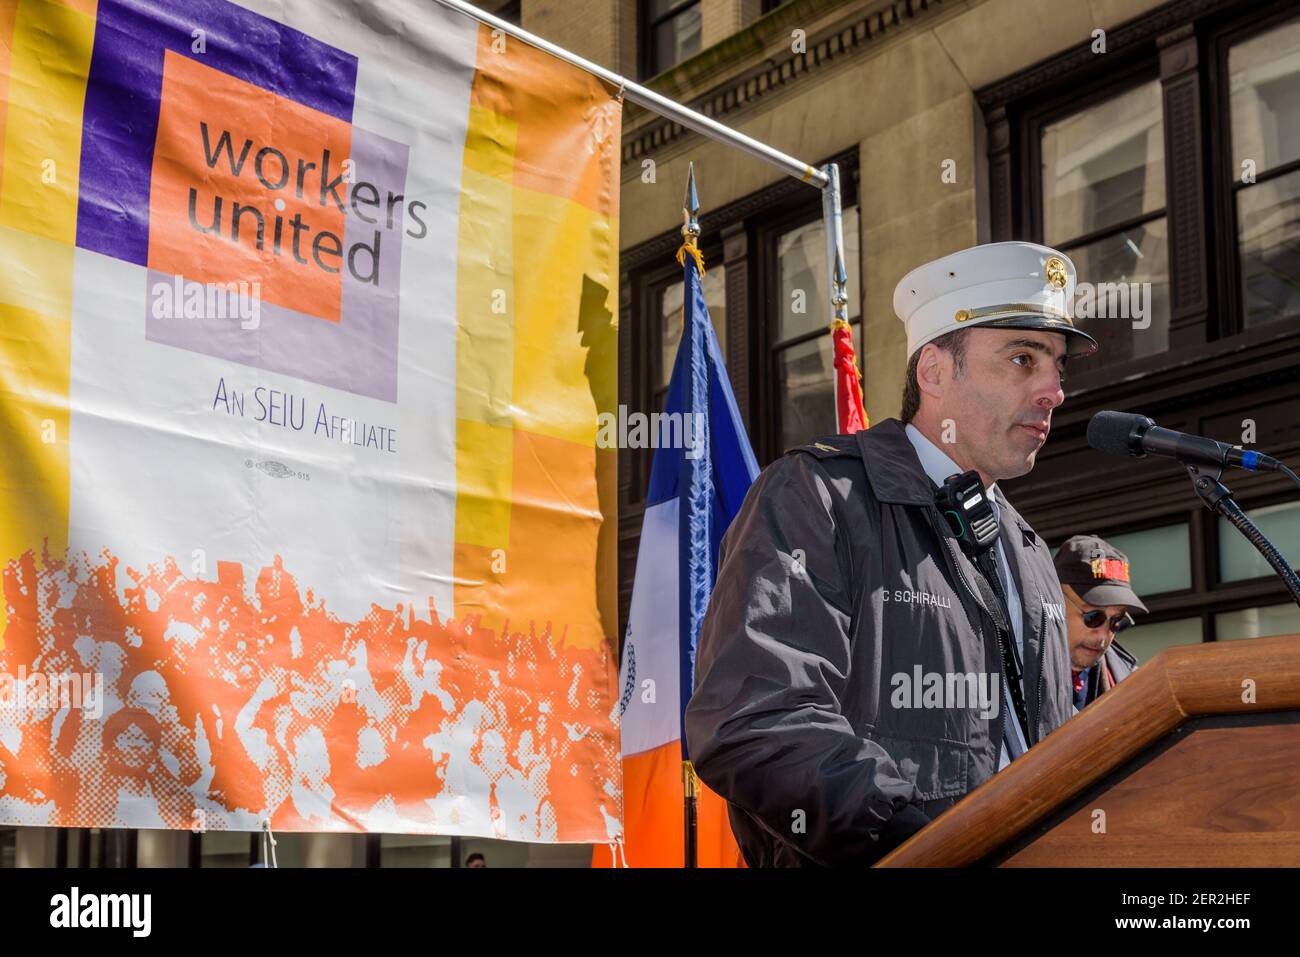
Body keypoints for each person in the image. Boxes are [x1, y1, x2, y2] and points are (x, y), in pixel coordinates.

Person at [684, 241, 1099, 867]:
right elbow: (754, 718)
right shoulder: (818, 496)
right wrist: (920, 847)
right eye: (1022, 358)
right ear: (933, 372)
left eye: (1058, 366)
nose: (1053, 391)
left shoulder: (1030, 549)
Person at [1053, 535, 1145, 711]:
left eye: (1117, 621)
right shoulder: (1007, 672)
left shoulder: (1130, 681)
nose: (1104, 637)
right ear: (1054, 601)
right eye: (1093, 617)